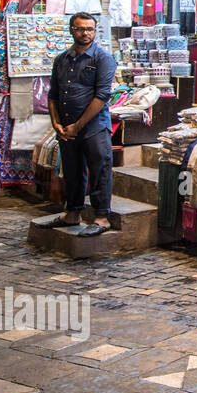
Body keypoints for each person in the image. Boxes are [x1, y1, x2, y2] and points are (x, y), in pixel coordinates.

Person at [36, 13, 117, 237]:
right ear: (72, 30)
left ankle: (101, 217)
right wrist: (56, 123)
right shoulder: (62, 59)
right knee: (72, 170)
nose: (86, 33)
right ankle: (73, 212)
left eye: (90, 29)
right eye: (81, 29)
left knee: (99, 169)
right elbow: (52, 94)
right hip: (66, 127)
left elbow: (101, 96)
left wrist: (78, 125)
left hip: (93, 127)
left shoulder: (103, 59)